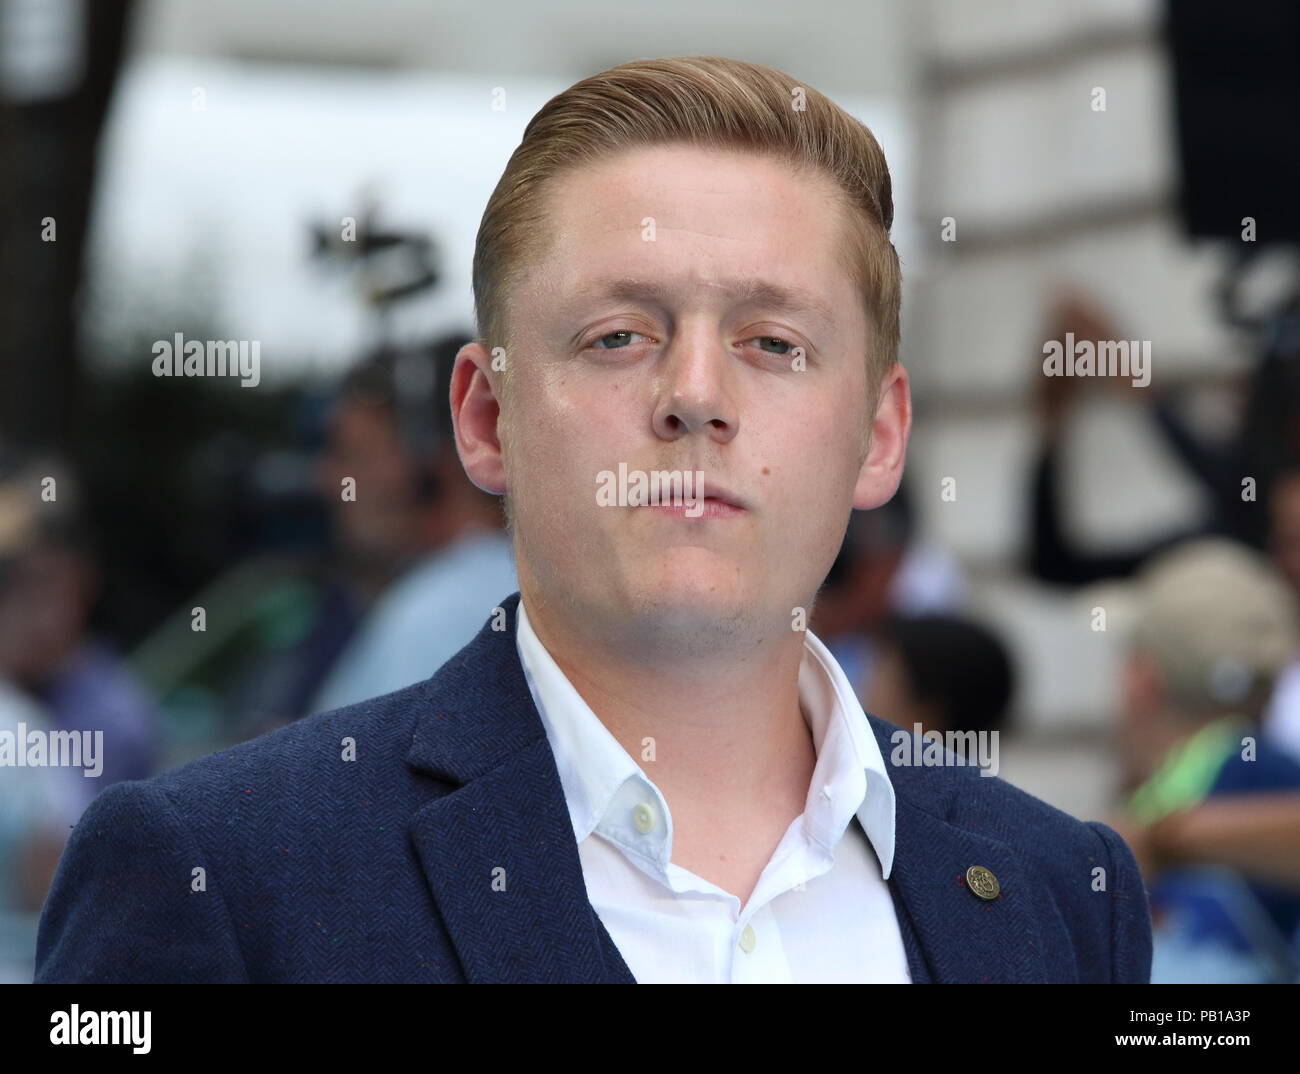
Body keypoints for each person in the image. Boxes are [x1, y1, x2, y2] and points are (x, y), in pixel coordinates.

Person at [34, 56, 1151, 984]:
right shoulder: (225, 876)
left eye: (775, 342)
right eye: (618, 334)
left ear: (877, 438)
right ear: (485, 418)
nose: (696, 393)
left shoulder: (1060, 896)